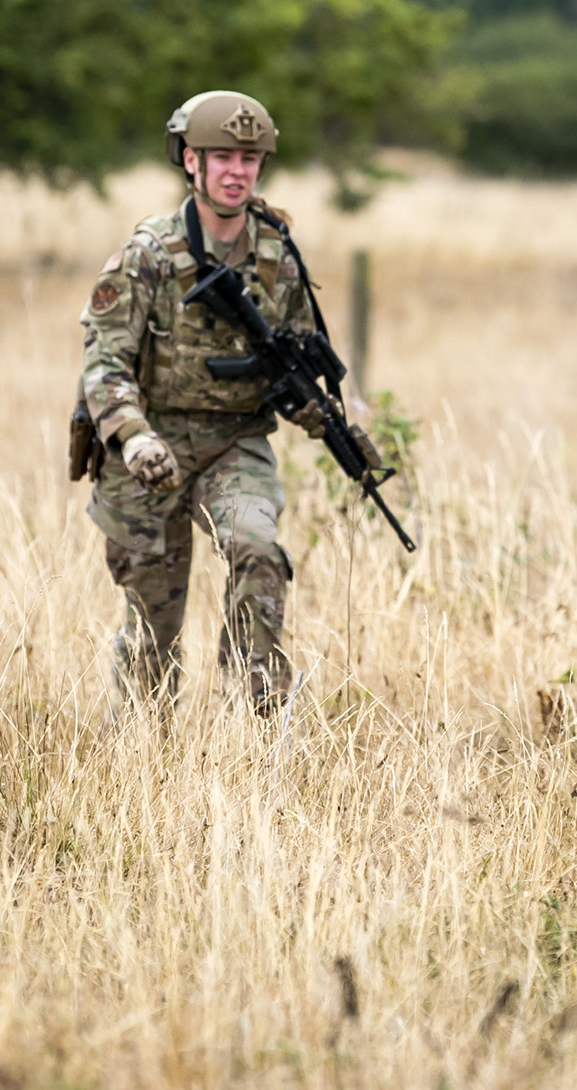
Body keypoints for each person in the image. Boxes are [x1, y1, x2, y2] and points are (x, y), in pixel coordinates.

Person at [78, 91, 370, 713]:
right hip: (148, 449)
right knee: (152, 626)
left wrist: (329, 418)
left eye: (250, 158)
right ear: (190, 161)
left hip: (235, 443)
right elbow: (103, 362)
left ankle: (257, 716)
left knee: (257, 551)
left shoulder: (277, 255)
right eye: (222, 157)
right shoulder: (149, 252)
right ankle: (142, 752)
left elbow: (288, 360)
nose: (238, 171)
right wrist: (133, 435)